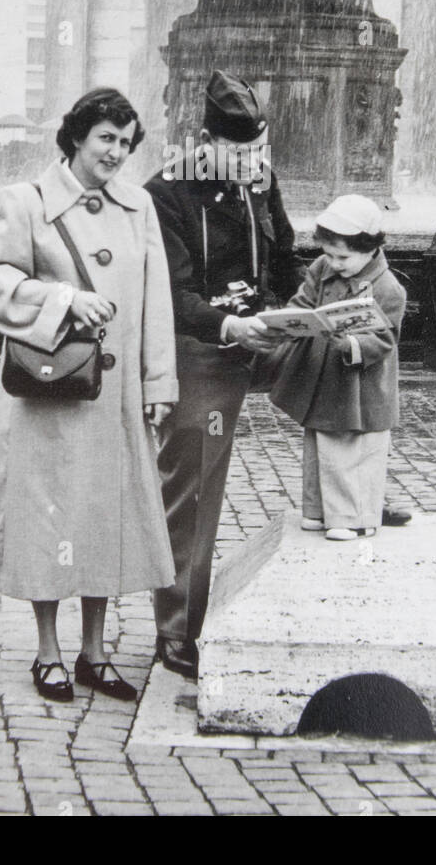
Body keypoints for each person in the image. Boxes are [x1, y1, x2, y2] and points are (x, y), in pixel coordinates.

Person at [0, 88, 177, 703]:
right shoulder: (26, 201)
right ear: (77, 138)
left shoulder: (138, 207)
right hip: (52, 391)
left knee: (103, 517)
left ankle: (94, 652)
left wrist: (159, 382)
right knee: (49, 516)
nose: (115, 152)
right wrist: (63, 299)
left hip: (115, 396)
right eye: (105, 138)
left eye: (125, 142)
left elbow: (157, 301)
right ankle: (47, 652)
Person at [145, 70, 304, 678]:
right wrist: (230, 326)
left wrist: (313, 307)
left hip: (263, 335)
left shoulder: (261, 181)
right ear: (204, 142)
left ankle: (353, 495)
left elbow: (284, 258)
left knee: (348, 362)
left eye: (259, 150)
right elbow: (172, 295)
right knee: (193, 486)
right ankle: (179, 628)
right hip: (202, 347)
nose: (251, 164)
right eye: (238, 153)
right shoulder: (167, 194)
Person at [262, 195, 407, 540]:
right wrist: (288, 322)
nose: (334, 263)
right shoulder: (321, 268)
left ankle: (350, 517)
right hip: (322, 374)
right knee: (319, 443)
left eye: (343, 257)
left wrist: (349, 342)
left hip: (359, 384)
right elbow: (303, 300)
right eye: (328, 254)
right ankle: (316, 510)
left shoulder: (388, 287)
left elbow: (385, 339)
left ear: (369, 249)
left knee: (351, 448)